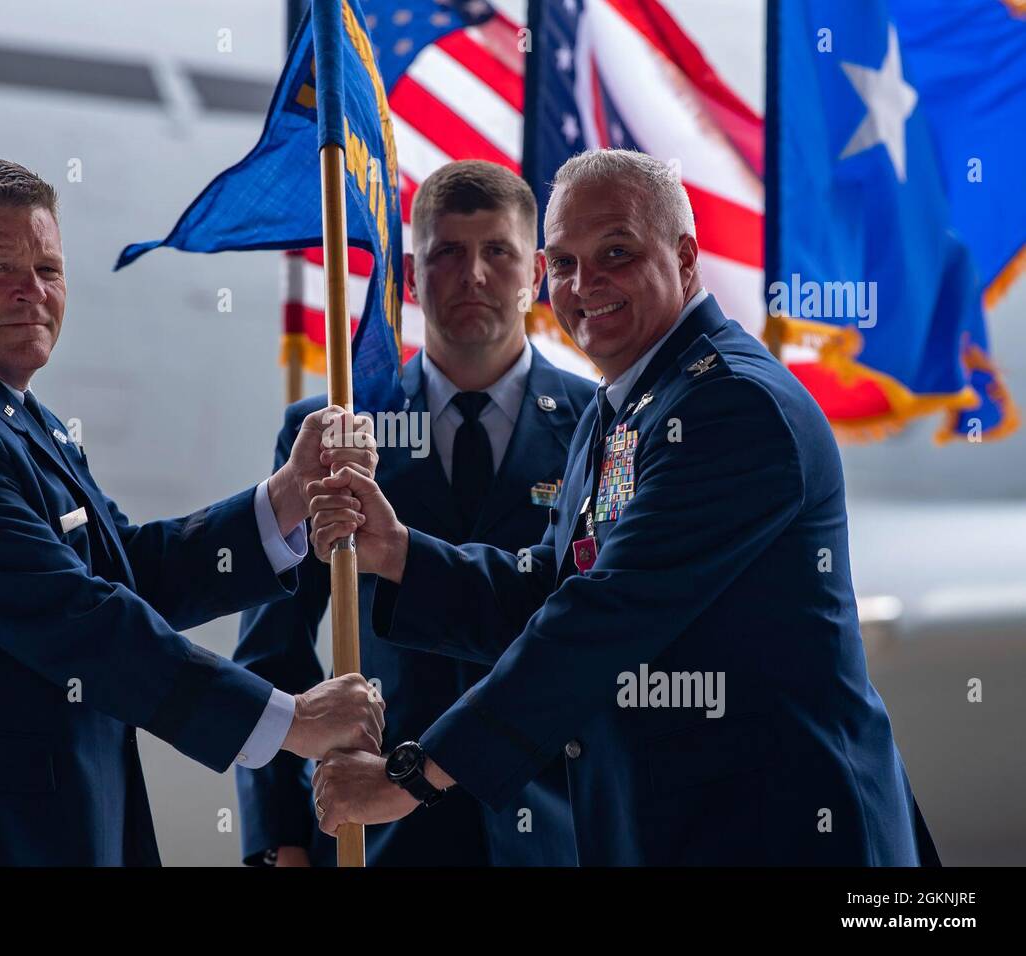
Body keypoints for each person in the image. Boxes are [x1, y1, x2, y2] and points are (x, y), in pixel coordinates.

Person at [306, 148, 941, 866]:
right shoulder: (625, 403)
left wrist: (411, 777)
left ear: (687, 258)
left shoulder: (731, 404)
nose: (585, 285)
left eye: (616, 252)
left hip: (779, 831)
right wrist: (399, 554)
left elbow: (600, 620)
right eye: (566, 263)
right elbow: (552, 587)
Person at [0, 154, 383, 866]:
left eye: (48, 269)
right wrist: (289, 720)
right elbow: (77, 620)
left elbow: (124, 573)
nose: (29, 292)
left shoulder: (6, 412)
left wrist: (286, 496)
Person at [234, 161, 592, 866]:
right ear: (408, 276)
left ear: (537, 274)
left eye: (498, 252)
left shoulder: (597, 426)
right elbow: (271, 652)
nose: (474, 275)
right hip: (376, 832)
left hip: (557, 831)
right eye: (447, 253)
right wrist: (278, 844)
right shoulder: (332, 432)